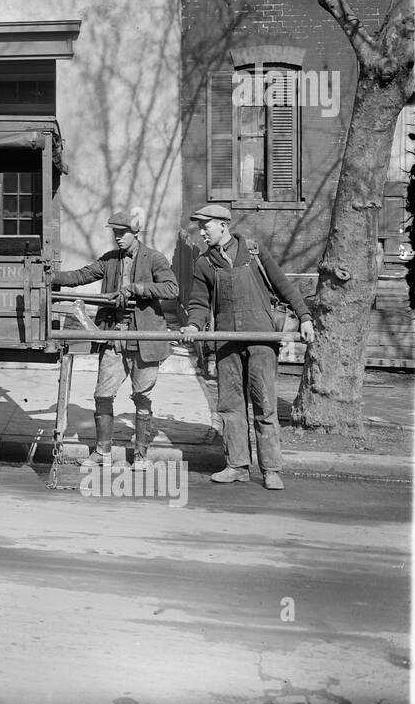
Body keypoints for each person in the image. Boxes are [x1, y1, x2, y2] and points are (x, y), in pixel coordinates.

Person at [180, 204, 315, 491]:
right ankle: (237, 466)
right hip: (227, 342)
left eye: (206, 226)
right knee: (230, 406)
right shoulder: (204, 263)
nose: (202, 232)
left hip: (261, 340)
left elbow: (283, 285)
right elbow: (199, 304)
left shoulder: (253, 251)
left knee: (264, 403)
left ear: (223, 225)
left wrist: (304, 316)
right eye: (200, 227)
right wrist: (193, 326)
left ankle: (271, 469)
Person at [50, 207, 178, 466]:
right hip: (113, 337)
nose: (118, 237)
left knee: (142, 398)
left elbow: (171, 288)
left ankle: (141, 455)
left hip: (145, 340)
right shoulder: (110, 260)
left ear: (135, 233)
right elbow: (81, 275)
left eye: (123, 232)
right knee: (102, 395)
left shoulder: (154, 259)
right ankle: (103, 452)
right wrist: (49, 277)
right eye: (115, 233)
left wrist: (138, 288)